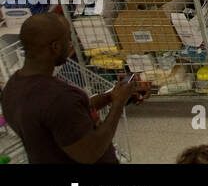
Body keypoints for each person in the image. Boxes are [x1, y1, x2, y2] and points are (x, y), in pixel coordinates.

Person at [0, 13, 147, 163]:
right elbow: (91, 152)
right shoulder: (58, 98)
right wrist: (118, 104)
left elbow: (65, 116)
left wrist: (112, 96)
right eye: (68, 38)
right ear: (55, 47)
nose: (71, 43)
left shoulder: (12, 88)